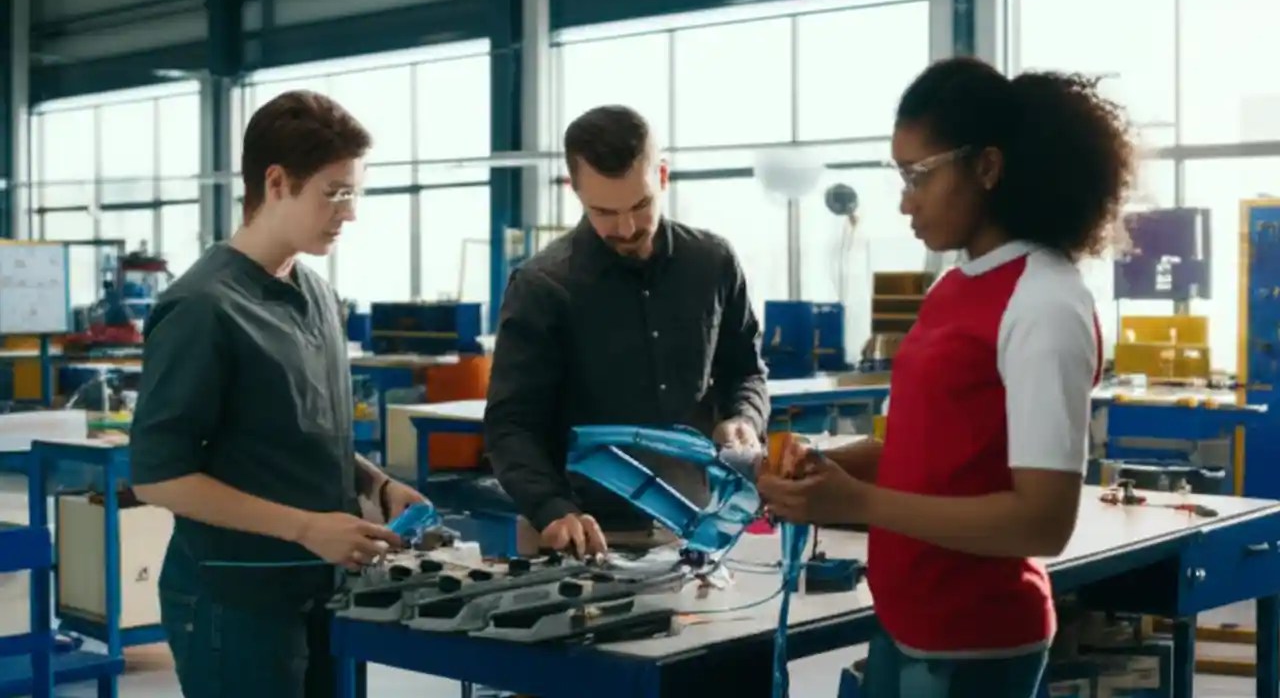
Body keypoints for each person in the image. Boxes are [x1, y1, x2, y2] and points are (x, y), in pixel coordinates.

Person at [758, 56, 1134, 698]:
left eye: (919, 175)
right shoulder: (954, 287)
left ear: (986, 167)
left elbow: (1042, 522)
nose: (905, 201)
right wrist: (822, 468)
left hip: (976, 642)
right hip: (907, 621)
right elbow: (927, 456)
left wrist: (856, 502)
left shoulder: (1044, 301)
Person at [129, 90, 428, 698]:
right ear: (276, 182)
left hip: (322, 589)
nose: (349, 213)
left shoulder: (317, 295)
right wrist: (306, 528)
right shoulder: (202, 308)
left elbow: (297, 430)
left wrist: (375, 484)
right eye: (335, 193)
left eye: (354, 194)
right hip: (235, 602)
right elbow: (160, 477)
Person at [484, 104, 769, 558]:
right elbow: (511, 424)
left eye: (641, 205)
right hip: (580, 536)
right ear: (575, 190)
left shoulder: (713, 263)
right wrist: (551, 509)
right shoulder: (542, 287)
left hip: (697, 530)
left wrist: (743, 419)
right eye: (604, 212)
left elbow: (745, 371)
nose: (628, 228)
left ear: (662, 176)